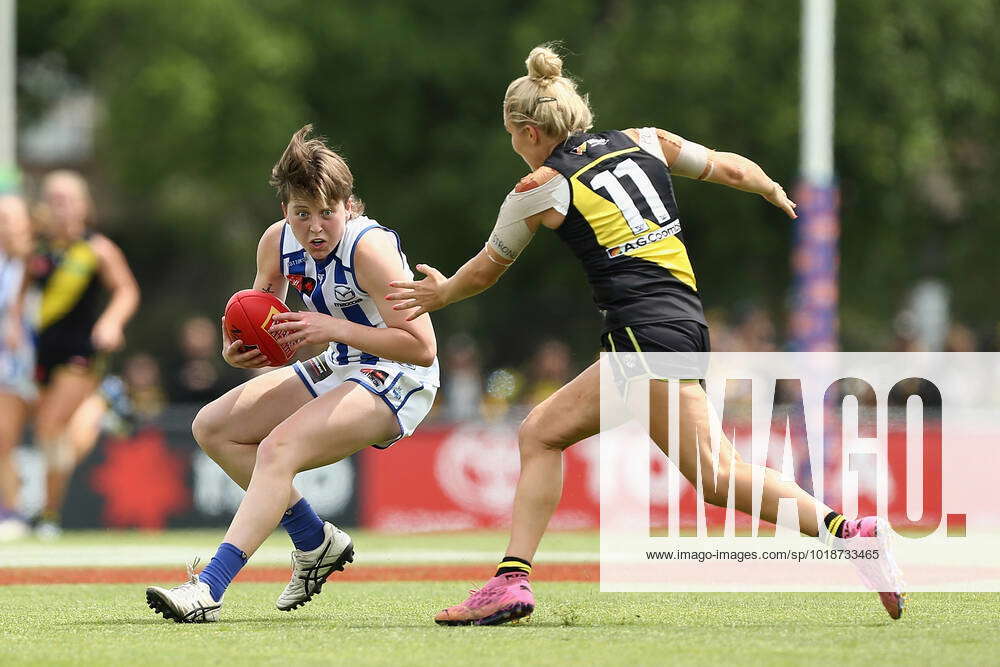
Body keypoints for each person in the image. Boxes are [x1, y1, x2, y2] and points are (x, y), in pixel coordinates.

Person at [386, 45, 905, 625]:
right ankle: (512, 579)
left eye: (511, 133)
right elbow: (730, 168)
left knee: (714, 474)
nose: (513, 144)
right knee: (541, 432)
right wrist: (768, 188)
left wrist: (441, 294)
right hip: (677, 326)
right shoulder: (644, 139)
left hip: (644, 335)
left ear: (529, 131)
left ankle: (851, 533)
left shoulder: (539, 185)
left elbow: (487, 267)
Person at [145, 125, 439, 623]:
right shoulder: (276, 243)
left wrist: (331, 327)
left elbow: (422, 348)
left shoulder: (370, 251)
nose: (316, 227)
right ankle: (312, 539)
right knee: (212, 428)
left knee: (277, 449)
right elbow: (262, 320)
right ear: (286, 212)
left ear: (350, 205)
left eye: (328, 211)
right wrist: (237, 349)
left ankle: (208, 590)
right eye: (303, 214)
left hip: (396, 375)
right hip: (338, 363)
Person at [27, 170, 140, 538]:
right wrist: (13, 326)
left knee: (50, 426)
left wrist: (111, 323)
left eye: (67, 200)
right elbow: (22, 293)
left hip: (82, 351)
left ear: (83, 205)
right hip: (45, 351)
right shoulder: (42, 250)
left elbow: (126, 291)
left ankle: (46, 514)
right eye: (53, 200)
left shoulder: (97, 248)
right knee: (54, 433)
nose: (59, 208)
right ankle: (49, 513)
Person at [0, 195, 35, 540]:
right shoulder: (3, 264)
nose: (4, 226)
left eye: (9, 218)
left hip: (43, 362)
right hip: (10, 368)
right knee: (3, 438)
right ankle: (11, 510)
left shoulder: (39, 261)